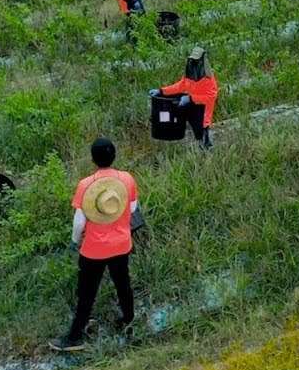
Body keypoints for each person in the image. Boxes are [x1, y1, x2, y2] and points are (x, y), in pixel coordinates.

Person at [51, 138, 139, 352]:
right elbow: (134, 208)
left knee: (87, 292)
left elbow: (79, 222)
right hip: (122, 243)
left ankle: (74, 337)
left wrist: (74, 242)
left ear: (93, 159)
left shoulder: (86, 185)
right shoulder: (126, 179)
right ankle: (129, 320)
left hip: (94, 249)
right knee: (123, 283)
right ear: (114, 156)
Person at [149, 46, 217, 149]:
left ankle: (208, 151)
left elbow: (211, 96)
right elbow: (180, 86)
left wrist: (191, 98)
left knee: (202, 133)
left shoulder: (208, 78)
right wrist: (161, 91)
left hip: (202, 110)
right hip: (191, 106)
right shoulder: (190, 71)